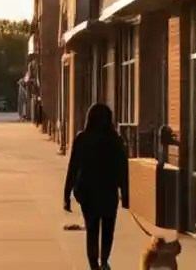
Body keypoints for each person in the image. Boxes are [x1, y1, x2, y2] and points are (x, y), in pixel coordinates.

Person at [63, 103, 129, 270]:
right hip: (108, 193)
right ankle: (104, 261)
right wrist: (126, 195)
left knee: (92, 231)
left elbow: (73, 168)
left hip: (87, 194)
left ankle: (94, 266)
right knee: (108, 230)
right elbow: (123, 170)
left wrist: (67, 194)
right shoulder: (115, 140)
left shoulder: (81, 139)